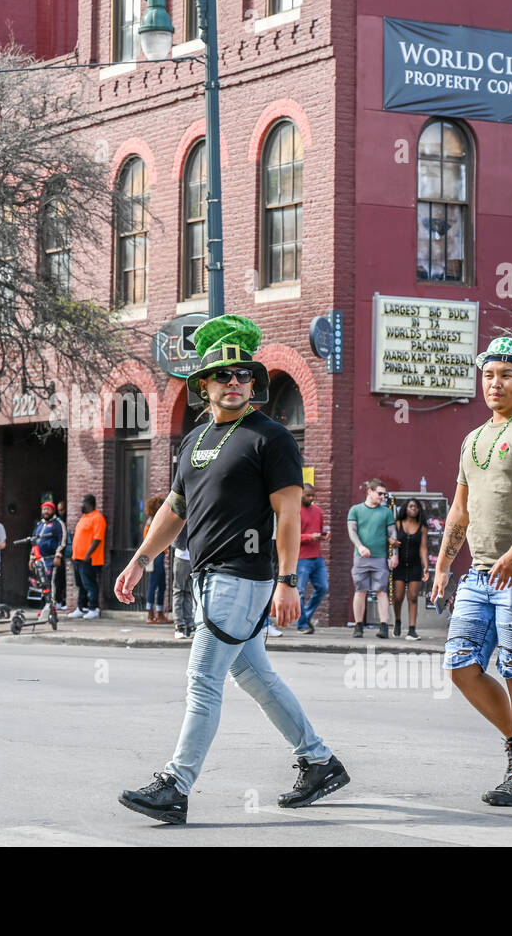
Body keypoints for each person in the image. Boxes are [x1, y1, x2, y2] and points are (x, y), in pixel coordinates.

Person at [115, 314, 348, 825]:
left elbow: (288, 513)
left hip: (244, 575)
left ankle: (175, 786)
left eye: (244, 374)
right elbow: (175, 509)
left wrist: (287, 581)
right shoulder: (195, 438)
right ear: (205, 384)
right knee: (253, 673)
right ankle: (320, 762)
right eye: (224, 375)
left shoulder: (271, 437)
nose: (236, 382)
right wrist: (141, 559)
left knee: (203, 677)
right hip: (204, 576)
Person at [430, 337, 512, 807]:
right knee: (460, 667)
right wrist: (443, 564)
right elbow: (460, 509)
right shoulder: (473, 438)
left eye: (507, 374)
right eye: (488, 374)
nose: (495, 382)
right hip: (480, 575)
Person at [348, 479, 397, 637]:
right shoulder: (355, 510)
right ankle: (358, 625)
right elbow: (352, 531)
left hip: (380, 557)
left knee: (381, 591)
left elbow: (392, 534)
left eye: (384, 494)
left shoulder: (386, 512)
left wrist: (394, 554)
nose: (382, 496)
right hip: (360, 557)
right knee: (360, 591)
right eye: (379, 493)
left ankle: (383, 627)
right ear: (369, 491)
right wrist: (360, 546)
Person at [392, 498, 429, 639]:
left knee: (413, 597)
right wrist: (392, 542)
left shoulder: (422, 527)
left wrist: (426, 567)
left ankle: (412, 629)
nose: (414, 509)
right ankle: (397, 621)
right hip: (399, 565)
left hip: (415, 566)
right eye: (411, 506)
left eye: (416, 507)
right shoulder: (398, 524)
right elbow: (389, 539)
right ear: (405, 508)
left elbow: (423, 548)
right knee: (398, 597)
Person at [296, 484, 330, 634]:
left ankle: (305, 617)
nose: (311, 498)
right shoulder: (294, 511)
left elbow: (320, 529)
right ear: (300, 494)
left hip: (317, 557)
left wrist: (324, 534)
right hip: (300, 558)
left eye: (312, 495)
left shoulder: (317, 511)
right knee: (300, 592)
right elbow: (290, 537)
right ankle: (302, 625)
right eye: (308, 495)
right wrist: (310, 537)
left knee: (323, 588)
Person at [69, 494, 105, 619]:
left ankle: (93, 608)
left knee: (90, 583)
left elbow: (97, 538)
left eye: (82, 503)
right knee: (81, 584)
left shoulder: (97, 518)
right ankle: (81, 607)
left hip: (89, 559)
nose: (81, 505)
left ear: (89, 503)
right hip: (77, 557)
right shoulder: (84, 517)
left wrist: (88, 554)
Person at [29, 501, 64, 615]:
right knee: (42, 582)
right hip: (39, 559)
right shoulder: (39, 525)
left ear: (53, 510)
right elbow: (34, 541)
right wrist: (32, 557)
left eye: (48, 509)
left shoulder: (57, 524)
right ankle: (46, 604)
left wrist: (58, 555)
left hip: (51, 558)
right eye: (44, 509)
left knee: (50, 581)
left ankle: (51, 606)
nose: (46, 511)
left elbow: (62, 540)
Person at [142, 495, 171, 624]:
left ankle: (157, 613)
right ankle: (152, 614)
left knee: (160, 585)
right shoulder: (153, 523)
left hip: (156, 554)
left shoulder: (151, 521)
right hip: (156, 555)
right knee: (155, 584)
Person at [170, 525, 194, 639]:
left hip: (191, 557)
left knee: (186, 592)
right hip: (184, 556)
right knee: (181, 591)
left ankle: (186, 625)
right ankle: (181, 625)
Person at [53, 500, 70, 609]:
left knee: (63, 578)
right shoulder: (58, 522)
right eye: (59, 510)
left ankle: (63, 600)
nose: (61, 512)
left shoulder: (66, 521)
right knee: (58, 578)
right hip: (59, 553)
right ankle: (58, 600)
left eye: (62, 509)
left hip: (66, 552)